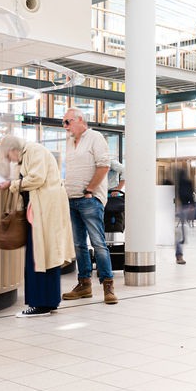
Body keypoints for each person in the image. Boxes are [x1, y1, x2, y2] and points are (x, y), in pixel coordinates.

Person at [0, 135, 75, 316]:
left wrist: (12, 184)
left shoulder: (34, 151)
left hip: (44, 211)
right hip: (40, 211)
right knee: (45, 255)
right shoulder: (28, 154)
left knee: (39, 257)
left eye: (8, 156)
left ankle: (40, 304)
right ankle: (49, 301)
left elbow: (37, 178)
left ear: (12, 150)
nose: (10, 160)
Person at [60, 108, 118, 304]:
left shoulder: (95, 137)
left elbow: (104, 166)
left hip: (89, 199)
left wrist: (90, 190)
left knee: (98, 243)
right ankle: (84, 284)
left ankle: (108, 285)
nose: (65, 126)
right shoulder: (69, 141)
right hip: (72, 198)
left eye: (67, 122)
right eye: (63, 123)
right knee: (79, 244)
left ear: (80, 120)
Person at [174, 164, 194, 264]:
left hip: (180, 206)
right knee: (181, 226)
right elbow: (190, 193)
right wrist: (192, 203)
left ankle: (179, 253)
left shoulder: (178, 183)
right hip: (184, 205)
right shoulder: (187, 182)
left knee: (178, 229)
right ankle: (183, 239)